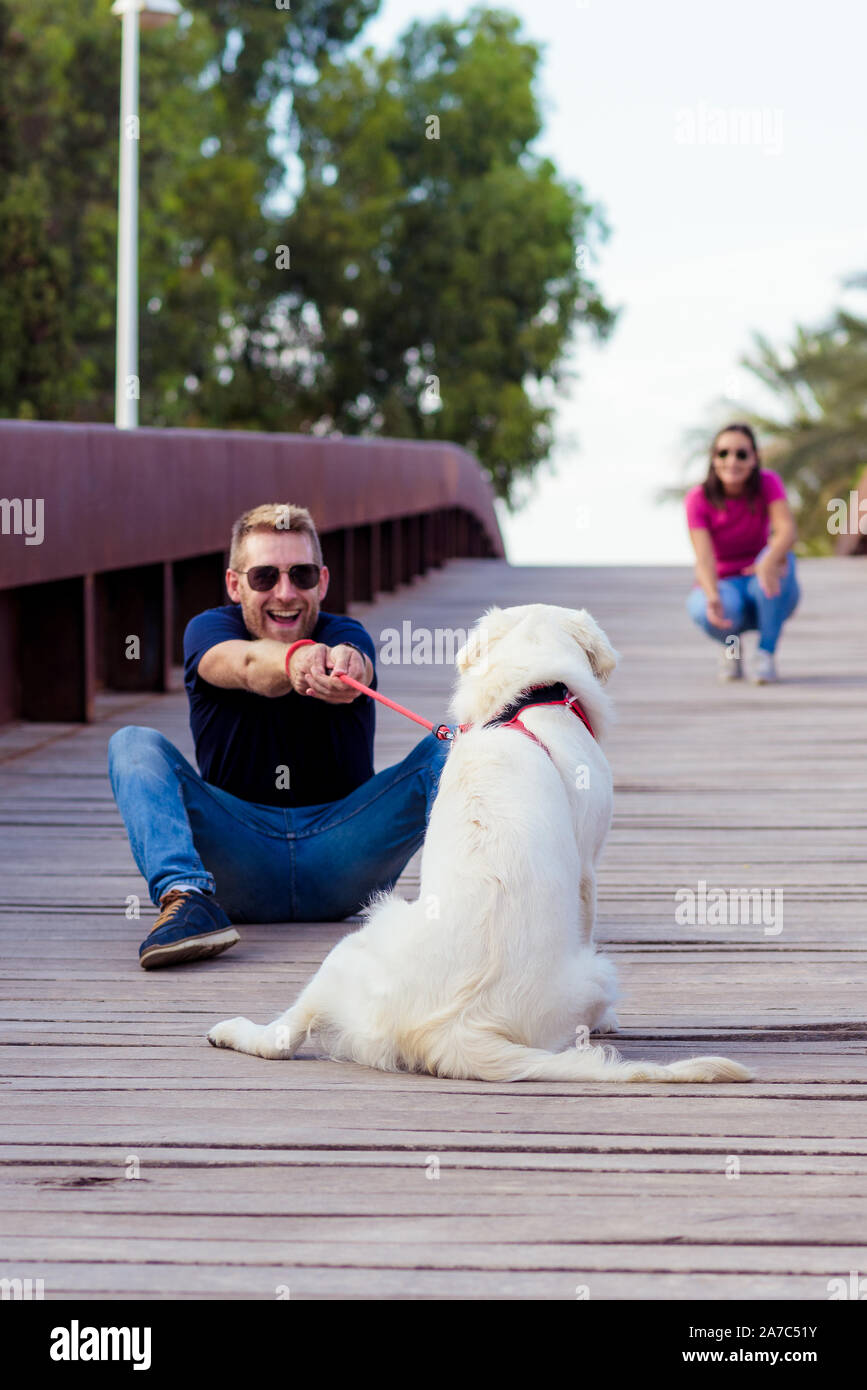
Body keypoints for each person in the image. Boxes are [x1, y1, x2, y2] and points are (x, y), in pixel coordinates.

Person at [108, 503, 449, 969]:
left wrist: (349, 664)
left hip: (345, 856)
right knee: (132, 743)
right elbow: (246, 666)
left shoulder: (346, 632)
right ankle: (188, 899)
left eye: (302, 575)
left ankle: (457, 913)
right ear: (234, 584)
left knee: (452, 746)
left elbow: (357, 657)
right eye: (265, 576)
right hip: (237, 860)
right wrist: (294, 664)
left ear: (323, 581)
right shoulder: (208, 630)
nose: (285, 594)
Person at [685, 423, 800, 684]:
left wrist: (768, 560)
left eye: (741, 454)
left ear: (754, 459)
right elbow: (703, 558)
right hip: (724, 582)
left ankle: (765, 654)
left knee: (783, 560)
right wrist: (712, 595)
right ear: (714, 459)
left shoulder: (768, 482)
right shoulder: (697, 498)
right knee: (704, 608)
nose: (732, 460)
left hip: (761, 580)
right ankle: (731, 649)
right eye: (723, 453)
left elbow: (787, 530)